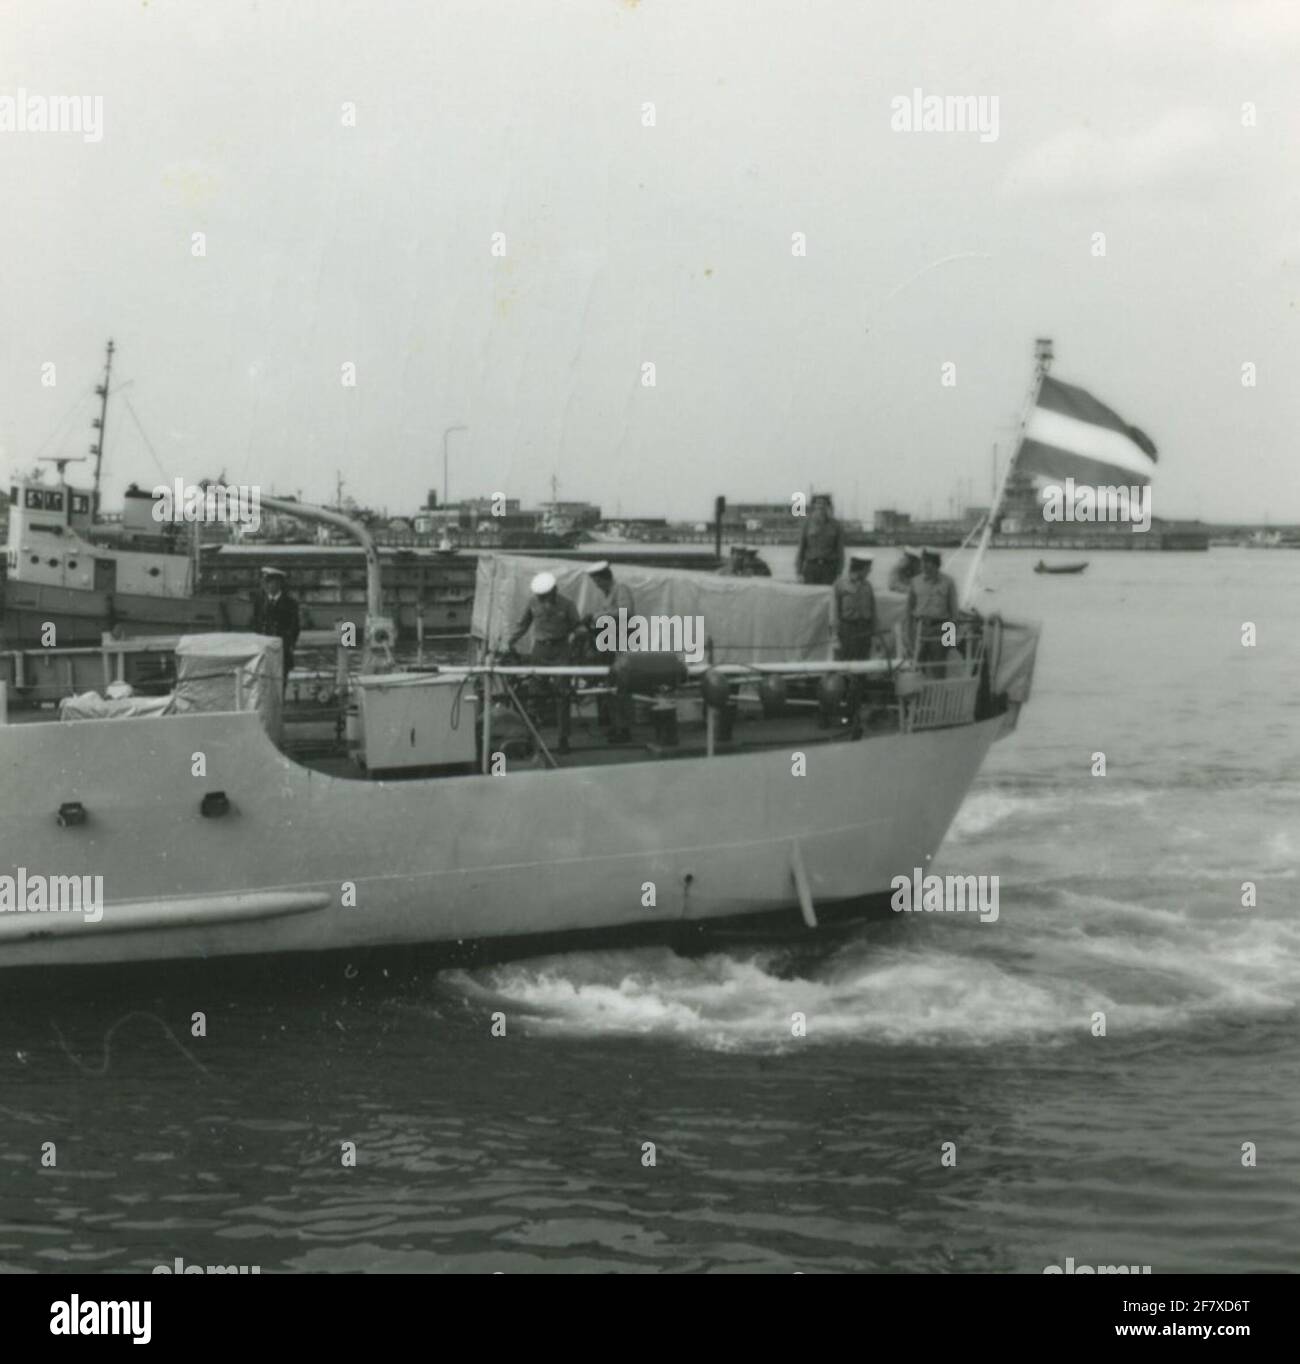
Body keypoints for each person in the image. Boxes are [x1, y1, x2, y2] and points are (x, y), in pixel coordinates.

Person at [506, 571, 582, 752]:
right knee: (535, 693)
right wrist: (509, 642)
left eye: (545, 595)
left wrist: (579, 640)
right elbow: (523, 624)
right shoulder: (533, 603)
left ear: (554, 590)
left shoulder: (567, 604)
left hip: (561, 649)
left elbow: (577, 626)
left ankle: (563, 738)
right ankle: (531, 737)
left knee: (563, 694)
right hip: (540, 650)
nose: (541, 599)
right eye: (540, 596)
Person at [584, 561, 634, 742]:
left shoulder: (621, 589)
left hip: (622, 644)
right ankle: (616, 725)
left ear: (604, 578)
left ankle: (624, 729)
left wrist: (599, 615)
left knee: (621, 686)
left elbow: (626, 612)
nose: (597, 586)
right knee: (611, 685)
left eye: (597, 581)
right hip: (611, 643)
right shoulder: (607, 594)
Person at [835, 555, 876, 725]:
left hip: (864, 630)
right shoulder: (840, 585)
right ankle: (844, 713)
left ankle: (855, 711)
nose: (870, 571)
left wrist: (874, 634)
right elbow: (834, 612)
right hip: (848, 630)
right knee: (846, 672)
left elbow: (873, 611)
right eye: (868, 568)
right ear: (861, 568)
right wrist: (835, 637)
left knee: (861, 672)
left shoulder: (868, 586)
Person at [906, 549, 961, 673]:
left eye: (928, 562)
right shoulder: (915, 582)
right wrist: (908, 635)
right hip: (920, 628)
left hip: (939, 629)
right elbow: (909, 611)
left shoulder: (948, 582)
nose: (924, 565)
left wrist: (950, 641)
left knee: (938, 667)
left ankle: (938, 685)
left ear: (936, 563)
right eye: (922, 561)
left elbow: (953, 613)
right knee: (917, 666)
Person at [252, 566, 300, 690]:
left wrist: (288, 646)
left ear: (278, 583)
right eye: (264, 582)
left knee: (279, 687)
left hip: (281, 652)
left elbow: (294, 629)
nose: (265, 585)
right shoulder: (260, 602)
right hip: (263, 651)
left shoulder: (290, 604)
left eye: (269, 582)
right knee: (262, 687)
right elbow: (255, 625)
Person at [795, 495, 845, 585]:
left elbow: (840, 551)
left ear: (828, 507)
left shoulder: (836, 526)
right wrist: (799, 572)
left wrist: (839, 573)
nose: (821, 506)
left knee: (828, 593)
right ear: (814, 506)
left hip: (829, 568)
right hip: (811, 567)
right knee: (810, 593)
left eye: (824, 504)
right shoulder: (807, 524)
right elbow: (801, 550)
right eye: (818, 503)